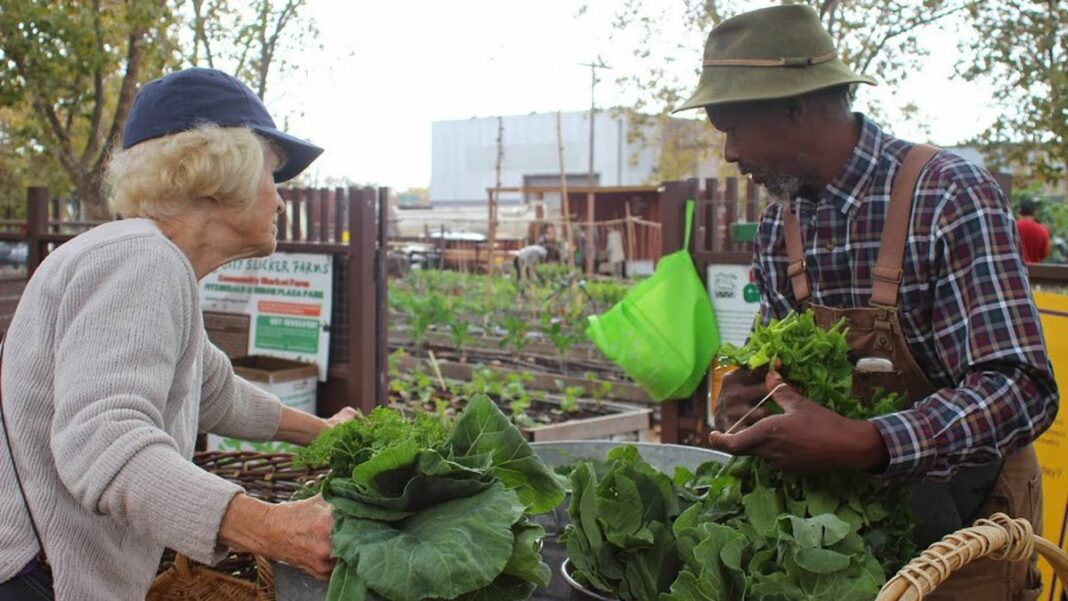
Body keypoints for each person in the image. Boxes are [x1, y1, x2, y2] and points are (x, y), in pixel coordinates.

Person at [674, 6, 1057, 599]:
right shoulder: (782, 226)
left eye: (733, 127)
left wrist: (868, 441)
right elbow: (760, 353)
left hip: (971, 531)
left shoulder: (948, 195)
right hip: (846, 543)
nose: (728, 153)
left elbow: (1022, 389)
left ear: (793, 106)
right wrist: (738, 393)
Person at [0, 68, 355, 600]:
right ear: (218, 174)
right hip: (31, 579)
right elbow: (105, 441)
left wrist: (321, 430)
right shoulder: (141, 261)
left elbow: (214, 391)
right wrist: (273, 528)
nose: (280, 202)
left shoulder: (150, 263)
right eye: (270, 176)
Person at [1017, 199, 1051, 264]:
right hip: (1035, 271)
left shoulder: (1012, 227)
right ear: (1035, 212)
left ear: (1019, 211)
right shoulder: (1043, 230)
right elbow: (1045, 254)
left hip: (1016, 270)